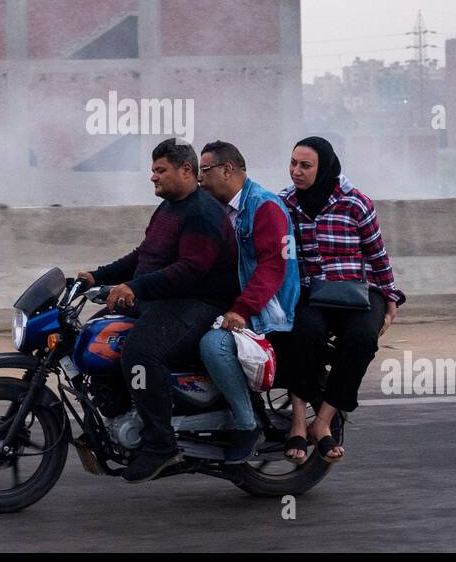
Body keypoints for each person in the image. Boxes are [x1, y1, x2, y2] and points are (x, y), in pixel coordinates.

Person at [77, 137, 239, 482]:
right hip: (165, 299)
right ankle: (116, 411)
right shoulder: (169, 208)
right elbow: (142, 257)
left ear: (186, 170)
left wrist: (134, 288)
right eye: (152, 170)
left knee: (139, 351)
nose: (153, 177)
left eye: (160, 170)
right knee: (98, 335)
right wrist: (96, 276)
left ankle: (161, 444)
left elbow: (190, 270)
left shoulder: (202, 211)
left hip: (197, 304)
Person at [278, 136, 405, 464]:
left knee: (362, 338)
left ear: (324, 168)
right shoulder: (284, 204)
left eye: (305, 166)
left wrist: (391, 298)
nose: (296, 171)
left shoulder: (355, 203)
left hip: (359, 291)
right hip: (313, 292)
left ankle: (321, 422)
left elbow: (377, 254)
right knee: (303, 334)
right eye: (293, 163)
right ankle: (297, 419)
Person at [195, 140, 299, 463]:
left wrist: (242, 309)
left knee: (214, 345)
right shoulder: (222, 209)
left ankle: (246, 422)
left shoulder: (264, 207)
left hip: (267, 310)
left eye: (205, 170)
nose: (199, 178)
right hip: (238, 301)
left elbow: (272, 267)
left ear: (227, 170)